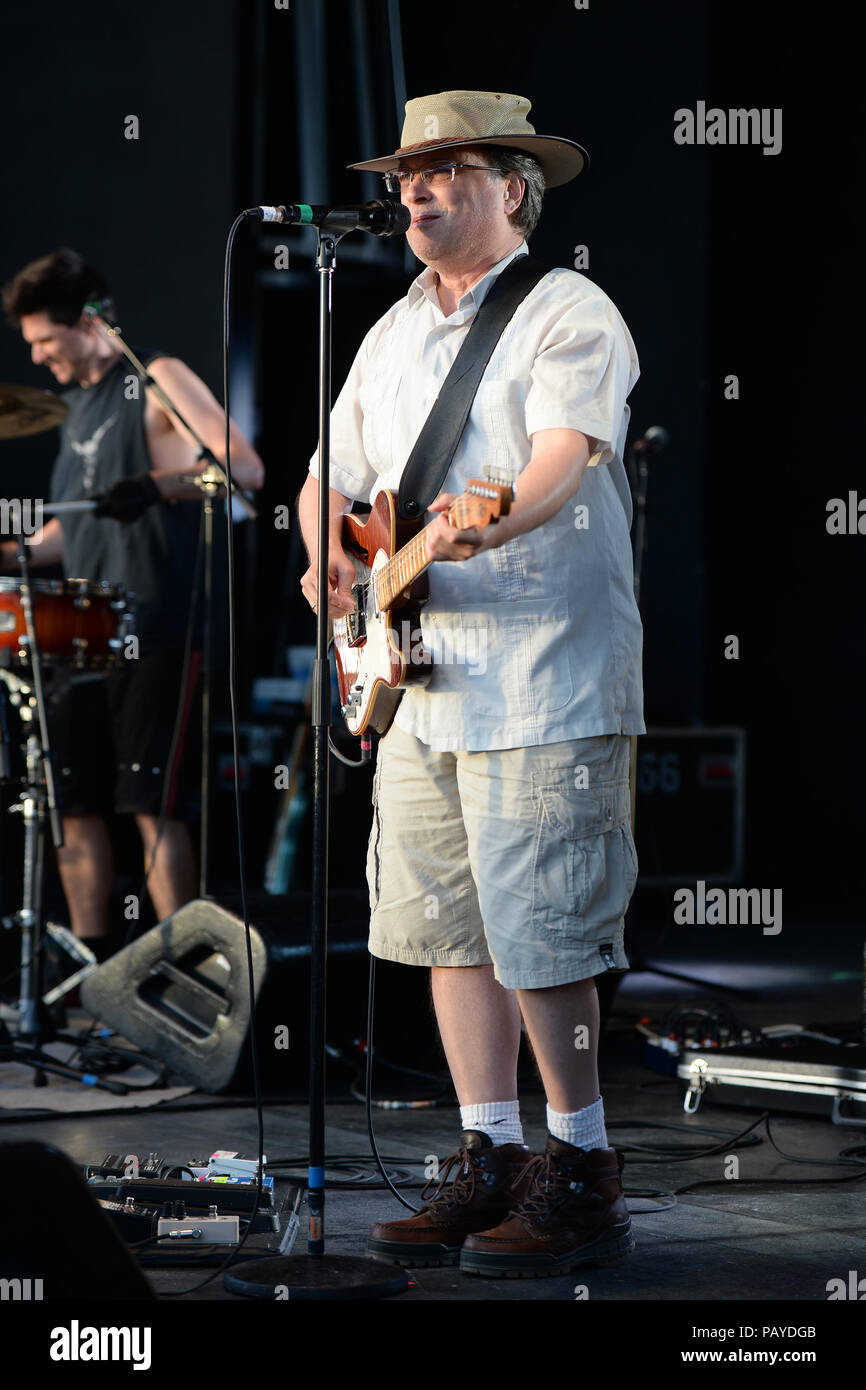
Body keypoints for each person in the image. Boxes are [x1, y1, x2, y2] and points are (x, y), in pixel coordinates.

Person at [298, 90, 644, 1278]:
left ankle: (582, 1164)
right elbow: (326, 474)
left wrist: (483, 530)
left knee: (543, 933)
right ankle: (487, 1154)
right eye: (406, 172)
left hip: (544, 674)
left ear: (511, 186)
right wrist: (322, 562)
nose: (412, 189)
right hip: (420, 684)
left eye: (442, 168)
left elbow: (557, 460)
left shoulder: (565, 309)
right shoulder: (387, 329)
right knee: (448, 928)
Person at [1, 248, 264, 959]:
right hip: (80, 633)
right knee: (74, 806)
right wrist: (10, 553)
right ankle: (92, 975)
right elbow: (77, 523)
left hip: (155, 626)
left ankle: (185, 971)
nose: (37, 357)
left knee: (152, 806)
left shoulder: (155, 377)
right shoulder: (76, 405)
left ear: (89, 323)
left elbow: (242, 470)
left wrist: (156, 484)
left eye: (45, 341)